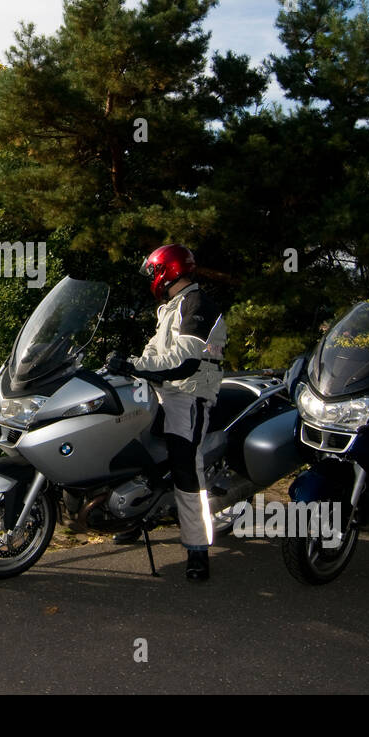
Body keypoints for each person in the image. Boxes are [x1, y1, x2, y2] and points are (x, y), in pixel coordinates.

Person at [106, 244, 227, 581]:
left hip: (188, 396)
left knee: (187, 469)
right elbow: (155, 353)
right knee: (131, 444)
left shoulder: (197, 304)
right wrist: (128, 365)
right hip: (162, 391)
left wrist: (134, 364)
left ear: (166, 271)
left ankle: (198, 549)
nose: (152, 279)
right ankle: (135, 514)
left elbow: (185, 360)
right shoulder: (172, 307)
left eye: (154, 272)